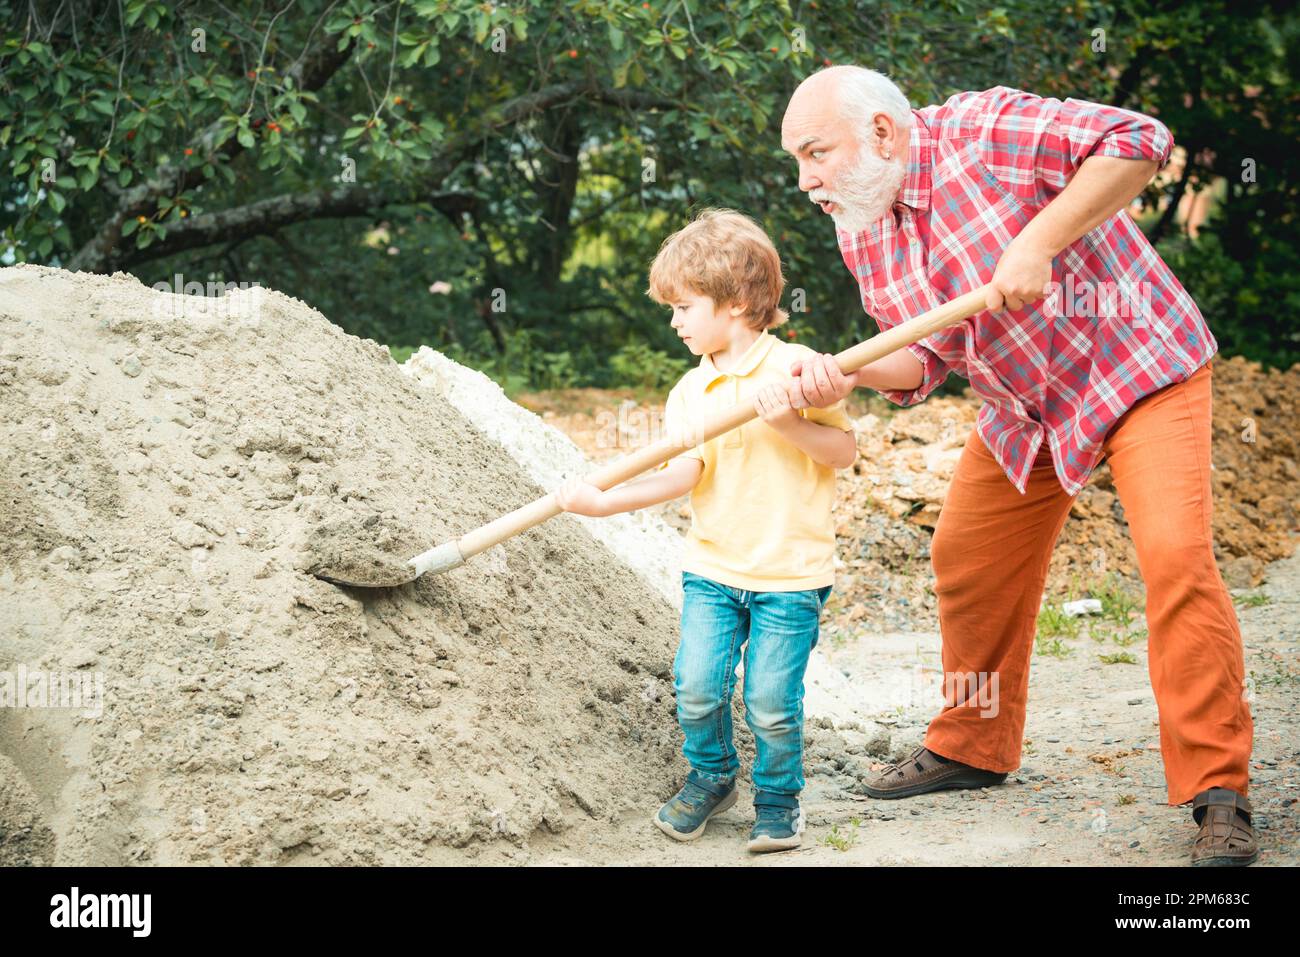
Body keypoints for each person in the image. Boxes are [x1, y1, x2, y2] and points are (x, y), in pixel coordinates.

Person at [780, 65, 1257, 865]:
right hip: (1026, 406)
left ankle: (1220, 791)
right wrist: (851, 370)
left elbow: (1140, 139)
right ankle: (973, 742)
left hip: (1138, 366)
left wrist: (1036, 240)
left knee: (1175, 556)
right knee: (966, 556)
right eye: (797, 162)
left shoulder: (982, 130)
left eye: (815, 153)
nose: (806, 180)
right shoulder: (859, 221)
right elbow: (925, 356)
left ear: (883, 134)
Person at [554, 208, 856, 853]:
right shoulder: (691, 390)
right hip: (715, 569)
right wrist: (602, 502)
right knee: (695, 687)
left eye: (683, 306)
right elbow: (684, 473)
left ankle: (778, 799)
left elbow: (841, 454)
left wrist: (788, 423)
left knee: (772, 701)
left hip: (789, 573)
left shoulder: (801, 369)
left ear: (739, 302)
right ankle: (713, 774)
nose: (673, 321)